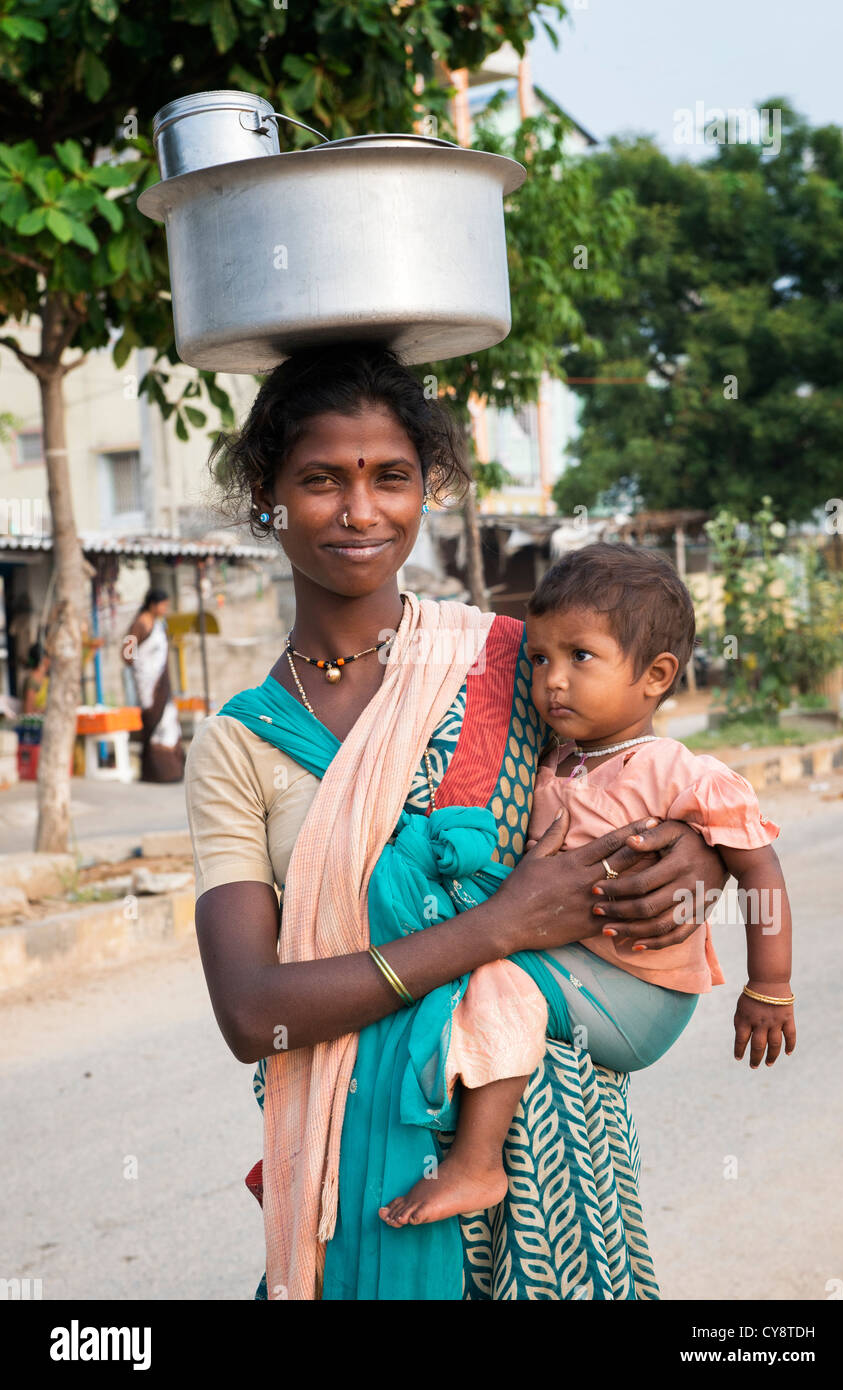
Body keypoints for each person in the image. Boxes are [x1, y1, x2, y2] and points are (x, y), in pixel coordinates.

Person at [184, 342, 727, 1302]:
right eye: (319, 480)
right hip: (351, 1155)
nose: (360, 511)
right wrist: (495, 927)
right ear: (267, 498)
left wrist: (697, 860)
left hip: (548, 1148)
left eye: (390, 477)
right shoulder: (238, 747)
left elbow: (658, 781)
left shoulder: (515, 662)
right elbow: (252, 1013)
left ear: (424, 489)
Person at [380, 543, 795, 1228]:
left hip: (640, 994)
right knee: (468, 967)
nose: (551, 681)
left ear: (656, 675)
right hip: (579, 971)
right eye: (539, 659)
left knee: (493, 977)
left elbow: (760, 867)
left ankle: (477, 1165)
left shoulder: (673, 770)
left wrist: (769, 985)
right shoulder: (554, 761)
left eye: (580, 657)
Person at [123, 587, 185, 782]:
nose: (165, 608)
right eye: (163, 605)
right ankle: (157, 771)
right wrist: (139, 667)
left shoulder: (158, 624)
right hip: (148, 684)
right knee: (158, 724)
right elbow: (127, 652)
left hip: (161, 682)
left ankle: (171, 769)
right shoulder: (140, 624)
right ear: (153, 604)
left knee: (169, 721)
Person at [22, 642, 50, 714]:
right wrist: (46, 710)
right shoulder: (32, 681)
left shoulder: (46, 678)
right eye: (48, 657)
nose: (50, 660)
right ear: (43, 659)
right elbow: (28, 711)